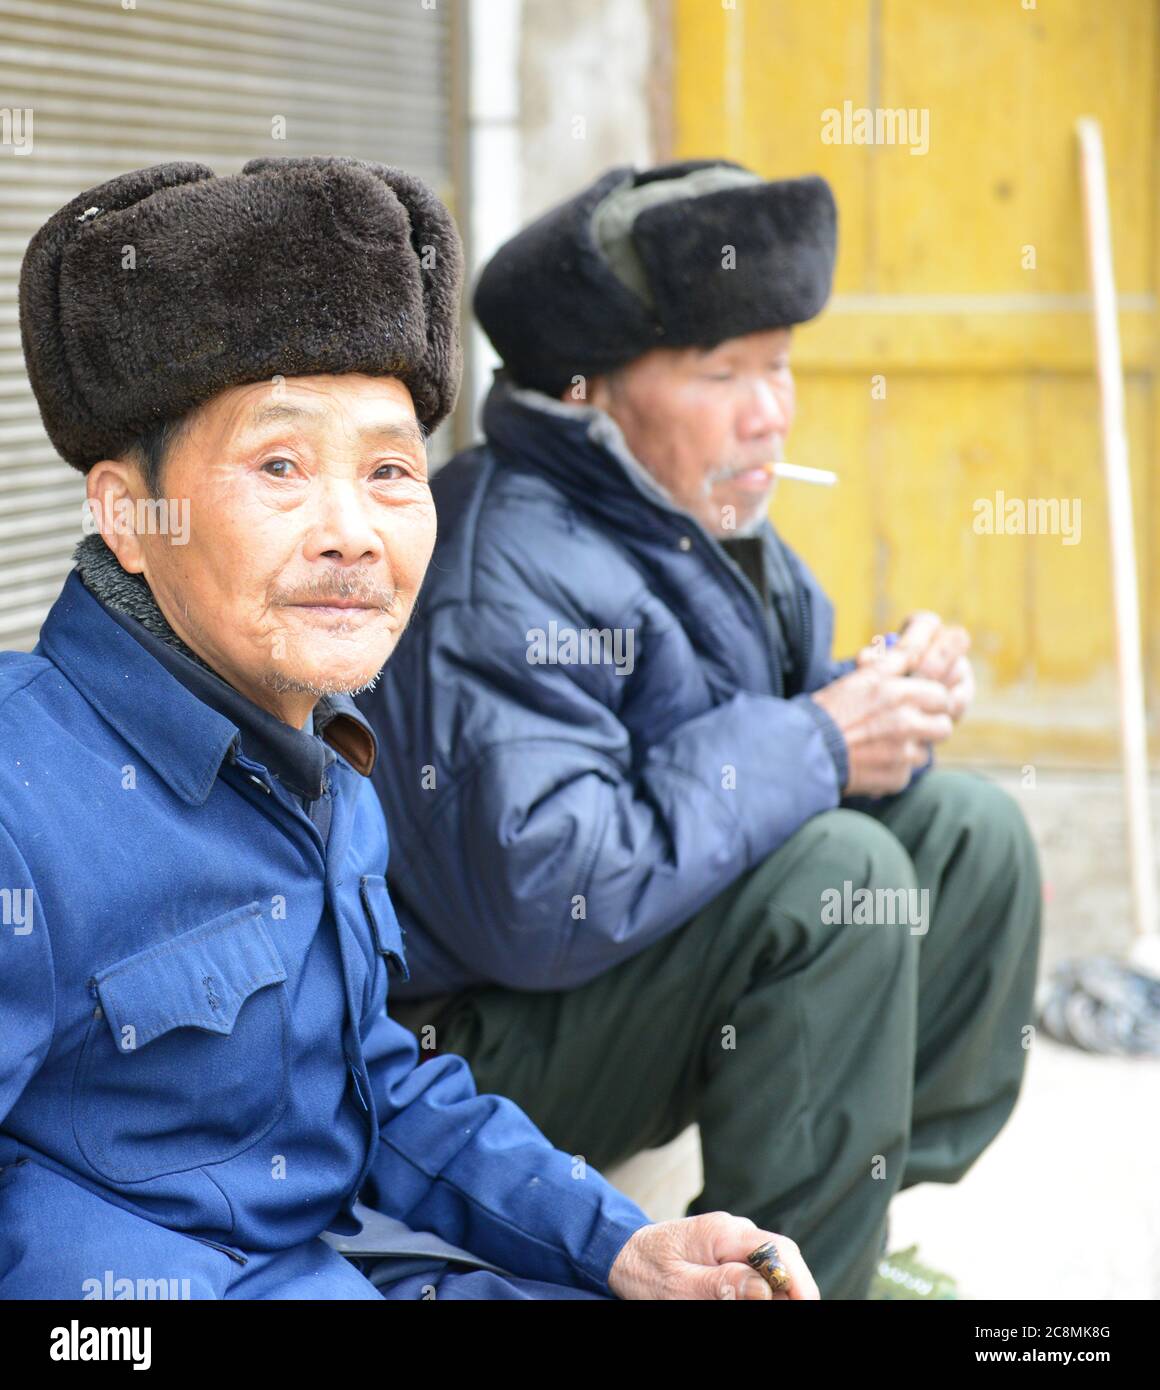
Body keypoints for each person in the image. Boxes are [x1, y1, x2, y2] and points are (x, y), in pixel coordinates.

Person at [0, 156, 815, 1302]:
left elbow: (376, 1088)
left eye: (389, 469)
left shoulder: (324, 760)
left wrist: (617, 1245)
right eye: (280, 465)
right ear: (128, 515)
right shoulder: (19, 794)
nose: (352, 531)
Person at [357, 159, 1043, 1300]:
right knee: (837, 878)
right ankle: (764, 1276)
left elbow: (764, 717)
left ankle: (831, 1230)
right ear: (586, 391)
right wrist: (821, 740)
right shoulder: (503, 563)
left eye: (776, 365)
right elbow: (539, 891)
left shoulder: (693, 514)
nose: (769, 409)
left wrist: (886, 700)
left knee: (966, 837)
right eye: (721, 371)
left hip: (610, 977)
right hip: (472, 1048)